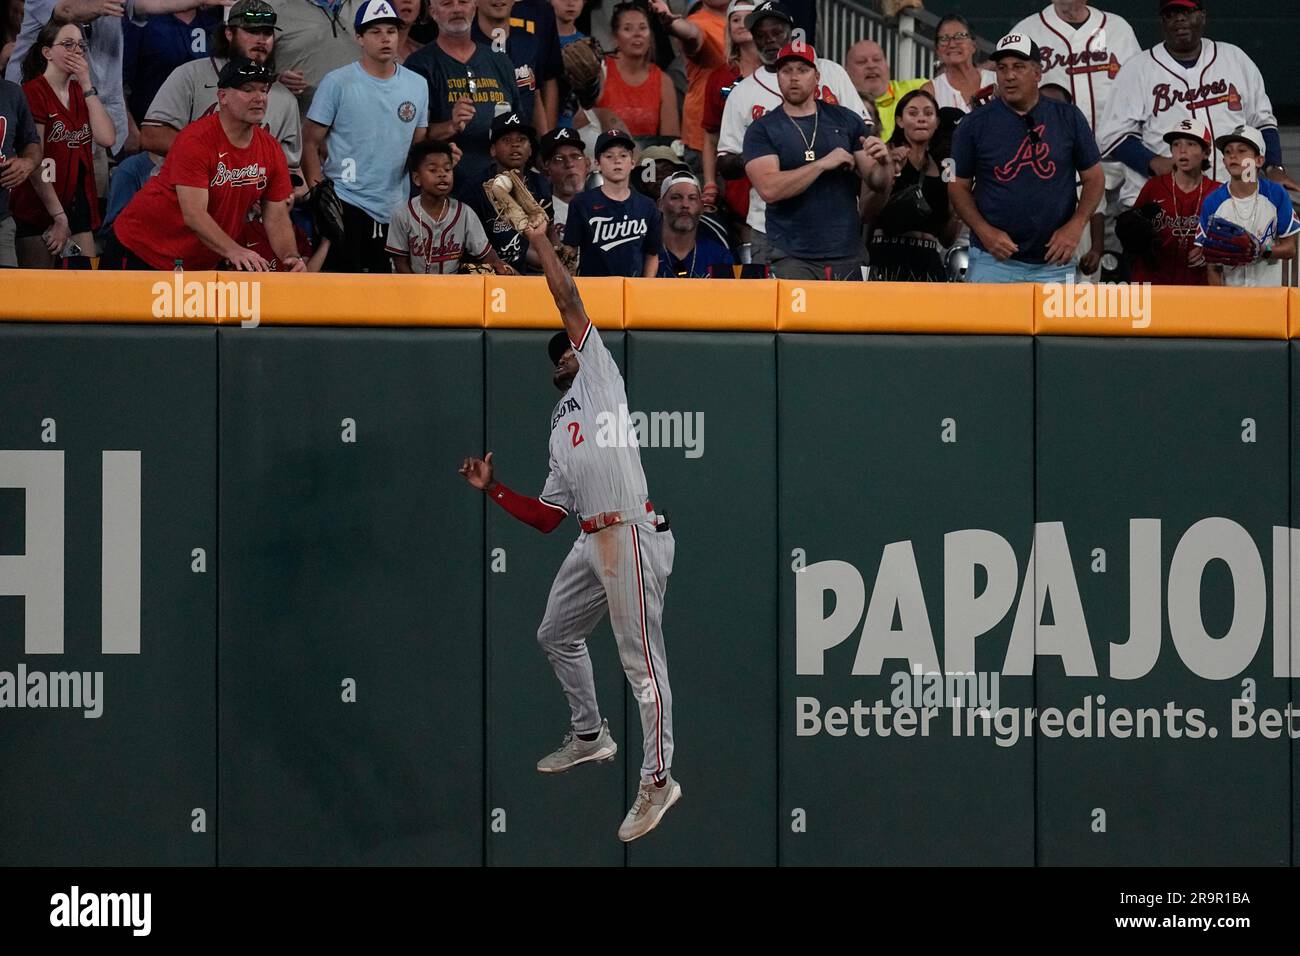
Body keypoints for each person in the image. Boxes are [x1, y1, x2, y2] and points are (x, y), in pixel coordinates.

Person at [457, 216, 680, 845]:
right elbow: (548, 519)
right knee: (554, 632)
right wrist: (493, 490)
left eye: (570, 348)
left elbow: (568, 298)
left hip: (631, 529)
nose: (566, 356)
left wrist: (536, 242)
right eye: (558, 355)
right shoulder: (560, 425)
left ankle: (659, 779)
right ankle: (590, 734)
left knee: (642, 666)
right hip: (591, 536)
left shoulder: (601, 376)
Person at [102, 58, 305, 271]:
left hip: (194, 262)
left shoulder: (270, 148)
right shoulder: (196, 139)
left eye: (264, 90)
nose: (259, 98)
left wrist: (290, 256)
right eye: (248, 90)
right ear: (222, 96)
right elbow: (194, 213)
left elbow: (277, 215)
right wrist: (234, 250)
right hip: (140, 250)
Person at [1096, 0, 1293, 208]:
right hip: (1161, 204)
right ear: (1162, 22)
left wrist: (1274, 168)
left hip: (1232, 198)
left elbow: (1262, 122)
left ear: (1203, 16)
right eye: (1172, 14)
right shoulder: (1137, 69)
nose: (1180, 18)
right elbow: (1113, 135)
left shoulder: (1234, 59)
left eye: (1187, 12)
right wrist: (1153, 162)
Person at [715, 0, 864, 267]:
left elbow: (864, 130)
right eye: (761, 35)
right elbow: (726, 162)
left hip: (836, 222)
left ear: (792, 32)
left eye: (776, 33)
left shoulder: (831, 72)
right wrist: (767, 155)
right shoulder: (743, 92)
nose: (769, 41)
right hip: (770, 224)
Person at [947, 33, 1103, 284]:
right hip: (992, 259)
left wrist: (1076, 226)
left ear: (1038, 73)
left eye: (1019, 67)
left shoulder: (1068, 117)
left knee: (1057, 325)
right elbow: (956, 184)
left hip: (1054, 261)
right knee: (988, 326)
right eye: (1002, 68)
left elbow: (1095, 177)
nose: (1009, 76)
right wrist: (984, 231)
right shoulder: (973, 123)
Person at [302, 0, 429, 272]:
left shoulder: (417, 85)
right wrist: (319, 194)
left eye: (391, 31)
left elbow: (417, 147)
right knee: (339, 297)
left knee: (386, 301)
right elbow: (310, 141)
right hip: (346, 201)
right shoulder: (337, 82)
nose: (385, 38)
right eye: (375, 32)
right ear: (359, 38)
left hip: (395, 205)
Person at [743, 42, 887, 280]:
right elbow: (769, 189)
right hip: (791, 254)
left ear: (817, 76)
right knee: (797, 318)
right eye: (786, 71)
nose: (794, 77)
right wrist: (821, 164)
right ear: (777, 78)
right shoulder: (763, 129)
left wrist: (885, 163)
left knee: (849, 319)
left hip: (847, 251)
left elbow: (877, 182)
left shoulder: (847, 120)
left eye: (802, 70)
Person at [6, 0, 222, 157]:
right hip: (34, 103)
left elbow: (150, 3)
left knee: (90, 193)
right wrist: (98, 6)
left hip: (92, 107)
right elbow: (66, 9)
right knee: (35, 179)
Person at [140, 0, 302, 169]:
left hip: (252, 192)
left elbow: (291, 171)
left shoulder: (285, 98)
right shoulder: (190, 74)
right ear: (229, 34)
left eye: (267, 33)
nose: (261, 40)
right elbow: (151, 136)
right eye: (252, 31)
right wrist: (214, 155)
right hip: (186, 188)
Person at [11, 18, 116, 268]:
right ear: (47, 52)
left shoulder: (81, 93)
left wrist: (87, 84)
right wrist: (57, 217)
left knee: (83, 282)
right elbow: (35, 160)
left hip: (75, 204)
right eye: (68, 44)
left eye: (81, 45)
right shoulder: (33, 92)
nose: (77, 50)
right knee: (40, 291)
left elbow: (107, 137)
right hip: (38, 206)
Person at [404, 0, 519, 196]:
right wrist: (451, 126)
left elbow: (519, 122)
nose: (457, 9)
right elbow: (410, 137)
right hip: (445, 190)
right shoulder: (418, 65)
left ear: (475, 6)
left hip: (501, 188)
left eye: (463, 2)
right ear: (433, 12)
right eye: (447, 3)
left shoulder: (500, 61)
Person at [866, 89, 960, 282]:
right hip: (888, 256)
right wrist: (889, 170)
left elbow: (948, 238)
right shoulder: (884, 154)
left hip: (929, 260)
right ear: (900, 121)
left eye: (928, 113)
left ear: (937, 122)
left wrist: (961, 203)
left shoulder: (948, 165)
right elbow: (867, 213)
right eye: (913, 113)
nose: (921, 119)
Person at [386, 137, 512, 273]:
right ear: (417, 178)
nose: (442, 174)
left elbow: (486, 254)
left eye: (447, 169)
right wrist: (418, 292)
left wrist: (498, 264)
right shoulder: (402, 214)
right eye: (433, 170)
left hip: (453, 289)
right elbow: (400, 264)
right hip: (410, 289)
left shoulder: (464, 212)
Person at [1196, 124, 1298, 287]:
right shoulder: (1213, 201)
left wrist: (1263, 250)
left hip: (1269, 297)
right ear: (1224, 161)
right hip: (1232, 298)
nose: (1233, 156)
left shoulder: (1276, 194)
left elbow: (1290, 248)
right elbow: (1212, 266)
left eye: (1242, 151)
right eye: (1228, 152)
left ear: (1259, 160)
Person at [1124, 117, 1216, 285]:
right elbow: (1130, 235)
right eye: (1176, 144)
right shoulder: (1154, 187)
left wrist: (1212, 251)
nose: (1182, 150)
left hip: (1198, 287)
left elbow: (1232, 241)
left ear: (1206, 153)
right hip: (1154, 284)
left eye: (1191, 144)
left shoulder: (1218, 192)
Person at [562, 127, 659, 276]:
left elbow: (652, 254)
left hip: (633, 291)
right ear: (598, 163)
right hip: (592, 290)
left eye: (623, 155)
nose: (617, 161)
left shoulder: (647, 206)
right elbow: (570, 252)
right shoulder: (581, 203)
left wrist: (645, 289)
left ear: (632, 163)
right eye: (609, 156)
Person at [469, 109, 551, 270]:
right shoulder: (475, 188)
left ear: (530, 150)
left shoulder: (541, 184)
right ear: (493, 150)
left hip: (530, 271)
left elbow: (548, 233)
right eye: (506, 140)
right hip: (489, 272)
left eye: (522, 139)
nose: (515, 144)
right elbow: (474, 246)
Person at [648, 0, 726, 170]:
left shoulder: (748, 21)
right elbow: (690, 33)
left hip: (745, 135)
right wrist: (672, 23)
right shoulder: (699, 22)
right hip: (705, 143)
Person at [701, 0, 757, 217]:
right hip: (736, 176)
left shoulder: (780, 71)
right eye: (735, 19)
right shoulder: (719, 77)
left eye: (747, 18)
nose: (741, 24)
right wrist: (710, 184)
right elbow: (710, 136)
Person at [472, 0, 562, 134]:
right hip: (478, 146)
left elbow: (535, 97)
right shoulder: (464, 45)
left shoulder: (529, 42)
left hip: (524, 144)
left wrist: (545, 146)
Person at [123, 4, 223, 124]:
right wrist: (129, 124)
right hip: (151, 124)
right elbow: (121, 80)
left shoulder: (215, 24)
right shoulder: (143, 21)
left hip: (204, 123)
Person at [263, 0, 366, 111]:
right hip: (300, 119)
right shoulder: (272, 9)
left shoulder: (371, 6)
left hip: (364, 117)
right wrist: (276, 82)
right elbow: (249, 62)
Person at [595, 1, 678, 137]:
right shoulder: (600, 72)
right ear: (615, 37)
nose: (637, 34)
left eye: (642, 28)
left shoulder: (663, 81)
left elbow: (670, 141)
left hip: (648, 156)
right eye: (628, 29)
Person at [842, 39, 925, 142]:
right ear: (846, 70)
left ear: (887, 64)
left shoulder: (918, 88)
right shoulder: (841, 103)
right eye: (861, 62)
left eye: (877, 59)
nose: (871, 66)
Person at [0, 73, 42, 268]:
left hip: (2, 221)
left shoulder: (11, 93)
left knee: (7, 297)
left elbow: (31, 143)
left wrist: (28, 163)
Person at [657, 168, 733, 276]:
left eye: (692, 198)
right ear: (660, 204)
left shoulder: (719, 256)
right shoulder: (645, 253)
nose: (685, 205)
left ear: (702, 207)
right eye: (676, 198)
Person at [922, 14, 994, 113]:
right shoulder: (931, 91)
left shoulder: (996, 80)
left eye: (959, 36)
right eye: (944, 39)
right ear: (938, 50)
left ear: (973, 46)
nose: (951, 44)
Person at [539, 125, 587, 241]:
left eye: (576, 156)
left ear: (587, 163)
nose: (569, 164)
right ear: (547, 169)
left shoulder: (606, 205)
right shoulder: (541, 215)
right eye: (559, 159)